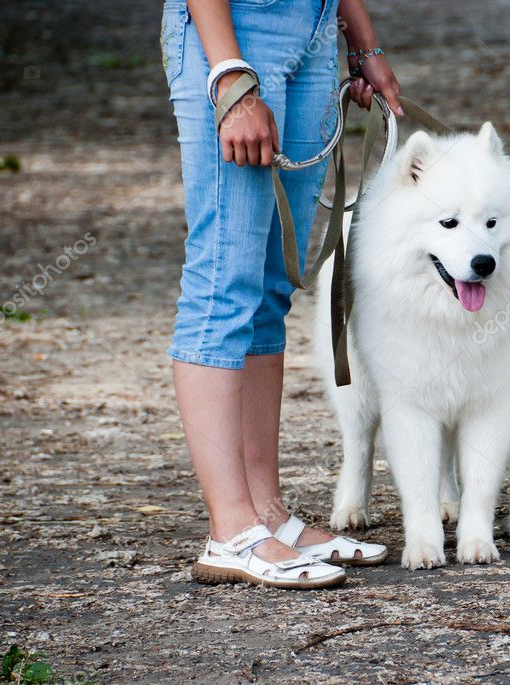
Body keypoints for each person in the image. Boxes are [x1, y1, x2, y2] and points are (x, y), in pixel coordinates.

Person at [160, 0, 400, 589]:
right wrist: (231, 77)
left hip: (314, 30)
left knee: (269, 287)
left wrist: (362, 44)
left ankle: (267, 514)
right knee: (224, 281)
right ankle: (231, 531)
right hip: (237, 28)